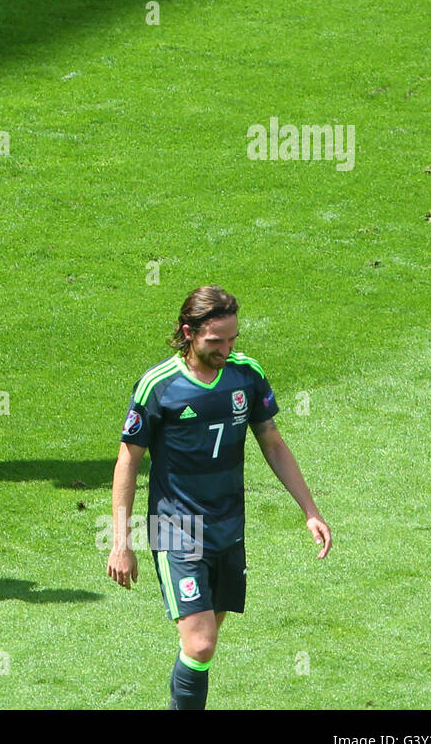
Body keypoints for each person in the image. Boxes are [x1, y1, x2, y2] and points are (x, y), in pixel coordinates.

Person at [107, 285, 332, 708]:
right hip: (177, 528)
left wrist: (310, 510)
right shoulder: (159, 385)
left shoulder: (246, 375)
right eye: (215, 341)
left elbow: (273, 442)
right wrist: (122, 541)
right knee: (202, 643)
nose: (226, 349)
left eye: (232, 339)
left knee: (202, 645)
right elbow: (128, 460)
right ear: (187, 332)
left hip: (228, 528)